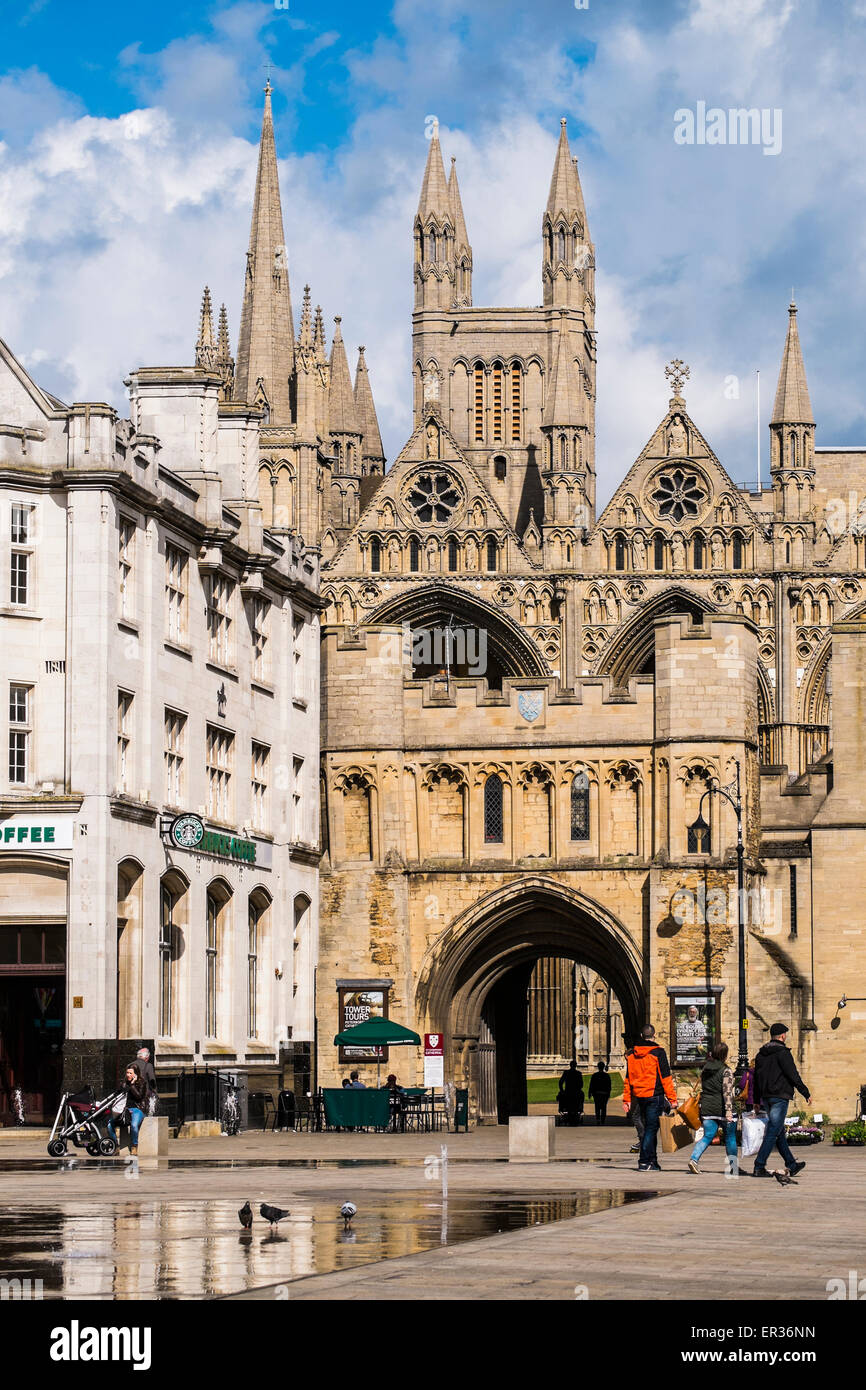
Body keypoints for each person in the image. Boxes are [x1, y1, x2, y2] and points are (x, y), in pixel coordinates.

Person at [752, 1023, 810, 1179]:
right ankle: (759, 1166)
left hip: (766, 1097)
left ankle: (791, 1164)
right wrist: (805, 1092)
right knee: (773, 1131)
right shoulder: (783, 1053)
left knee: (778, 1132)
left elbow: (756, 1079)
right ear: (782, 1036)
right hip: (779, 1096)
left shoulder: (760, 1055)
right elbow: (793, 1075)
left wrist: (756, 1100)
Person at [622, 1024, 678, 1170]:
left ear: (641, 1036)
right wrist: (672, 1099)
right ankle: (644, 1161)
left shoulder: (632, 1055)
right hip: (654, 1095)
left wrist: (627, 1099)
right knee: (651, 1129)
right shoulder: (658, 1052)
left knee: (649, 1129)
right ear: (654, 1036)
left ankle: (653, 1161)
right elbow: (665, 1077)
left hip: (640, 1096)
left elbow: (628, 1078)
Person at [687, 1042, 738, 1174]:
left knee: (707, 1135)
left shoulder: (706, 1069)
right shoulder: (726, 1070)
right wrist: (728, 1111)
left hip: (707, 1108)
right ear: (725, 1055)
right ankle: (733, 1167)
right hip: (721, 1108)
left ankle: (694, 1159)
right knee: (730, 1137)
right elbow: (727, 1092)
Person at [107, 1063, 147, 1156]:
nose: (128, 1075)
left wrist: (132, 1085)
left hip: (137, 1109)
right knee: (110, 1124)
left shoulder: (141, 1083)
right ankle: (115, 1146)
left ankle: (134, 1146)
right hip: (124, 1110)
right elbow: (117, 1095)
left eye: (130, 1073)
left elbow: (139, 1097)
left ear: (136, 1074)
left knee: (134, 1125)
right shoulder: (124, 1083)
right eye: (127, 1073)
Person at [557, 1061, 584, 1127]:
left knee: (560, 1096)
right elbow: (581, 1084)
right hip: (576, 1092)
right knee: (582, 1094)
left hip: (567, 1092)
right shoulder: (578, 1073)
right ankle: (580, 1108)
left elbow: (560, 1082)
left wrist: (562, 1090)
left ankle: (562, 1108)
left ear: (570, 1065)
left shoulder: (566, 1073)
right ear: (576, 1065)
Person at [135, 1047, 158, 1115]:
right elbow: (152, 1079)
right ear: (146, 1057)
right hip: (144, 1094)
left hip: (132, 1093)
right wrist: (154, 1091)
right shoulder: (148, 1065)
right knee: (146, 1113)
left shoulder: (130, 1065)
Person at [588, 1061, 612, 1125]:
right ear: (603, 1067)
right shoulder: (607, 1076)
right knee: (604, 1107)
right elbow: (609, 1086)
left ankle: (598, 1119)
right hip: (604, 1094)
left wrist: (590, 1093)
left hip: (597, 1094)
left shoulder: (595, 1075)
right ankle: (603, 1120)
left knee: (597, 1107)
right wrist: (608, 1093)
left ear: (598, 1067)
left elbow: (591, 1085)